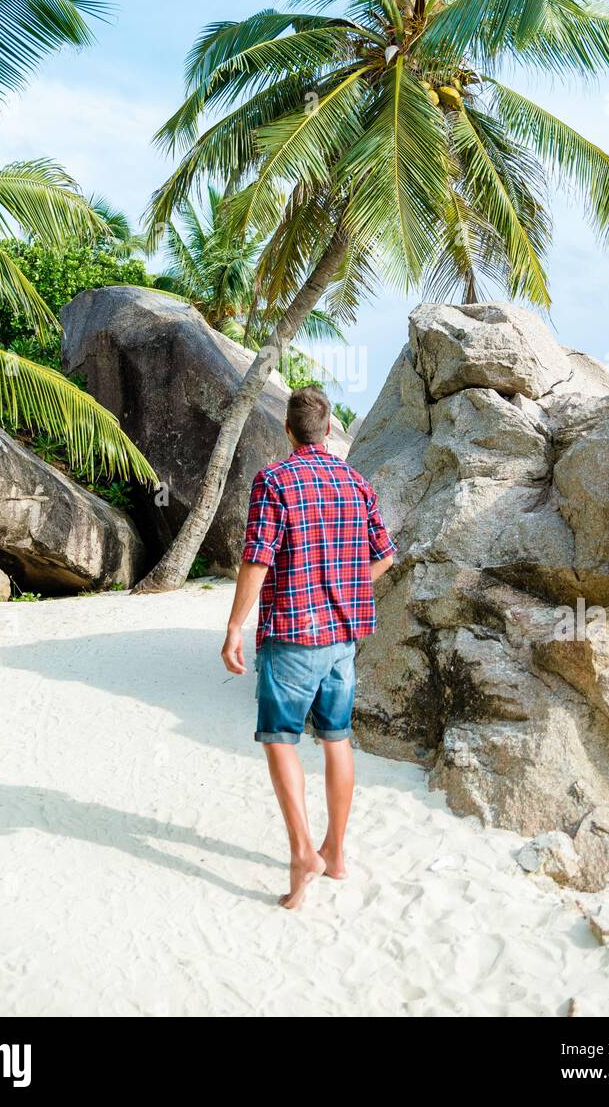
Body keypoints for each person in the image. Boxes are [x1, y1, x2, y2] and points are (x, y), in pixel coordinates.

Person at [221, 384, 395, 909]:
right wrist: (345, 586)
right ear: (326, 430)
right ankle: (336, 854)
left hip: (293, 633)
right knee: (336, 740)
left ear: (290, 430)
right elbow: (385, 554)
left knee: (279, 738)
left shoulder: (274, 480)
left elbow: (258, 558)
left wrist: (234, 627)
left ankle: (303, 851)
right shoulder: (356, 482)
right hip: (343, 637)